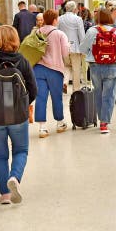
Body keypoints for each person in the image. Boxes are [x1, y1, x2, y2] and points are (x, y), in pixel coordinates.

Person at [0, 25, 37, 205]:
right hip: (18, 115)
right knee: (21, 150)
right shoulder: (22, 61)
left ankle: (5, 194)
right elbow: (33, 89)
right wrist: (23, 103)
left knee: (0, 155)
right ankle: (15, 177)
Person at [78, 9, 116, 134]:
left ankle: (101, 118)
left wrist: (91, 52)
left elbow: (82, 49)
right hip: (112, 65)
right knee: (109, 94)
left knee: (98, 92)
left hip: (95, 65)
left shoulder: (92, 31)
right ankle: (104, 122)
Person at [33, 10, 70, 138]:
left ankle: (42, 128)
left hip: (38, 68)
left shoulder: (37, 32)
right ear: (54, 20)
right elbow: (65, 54)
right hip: (55, 70)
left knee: (41, 97)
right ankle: (60, 123)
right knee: (56, 97)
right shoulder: (60, 34)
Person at [57, 1, 85, 92]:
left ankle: (64, 82)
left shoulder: (59, 18)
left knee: (66, 66)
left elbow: (57, 33)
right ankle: (76, 89)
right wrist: (83, 48)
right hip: (75, 48)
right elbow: (81, 35)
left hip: (63, 47)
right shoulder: (78, 19)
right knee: (76, 69)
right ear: (74, 9)